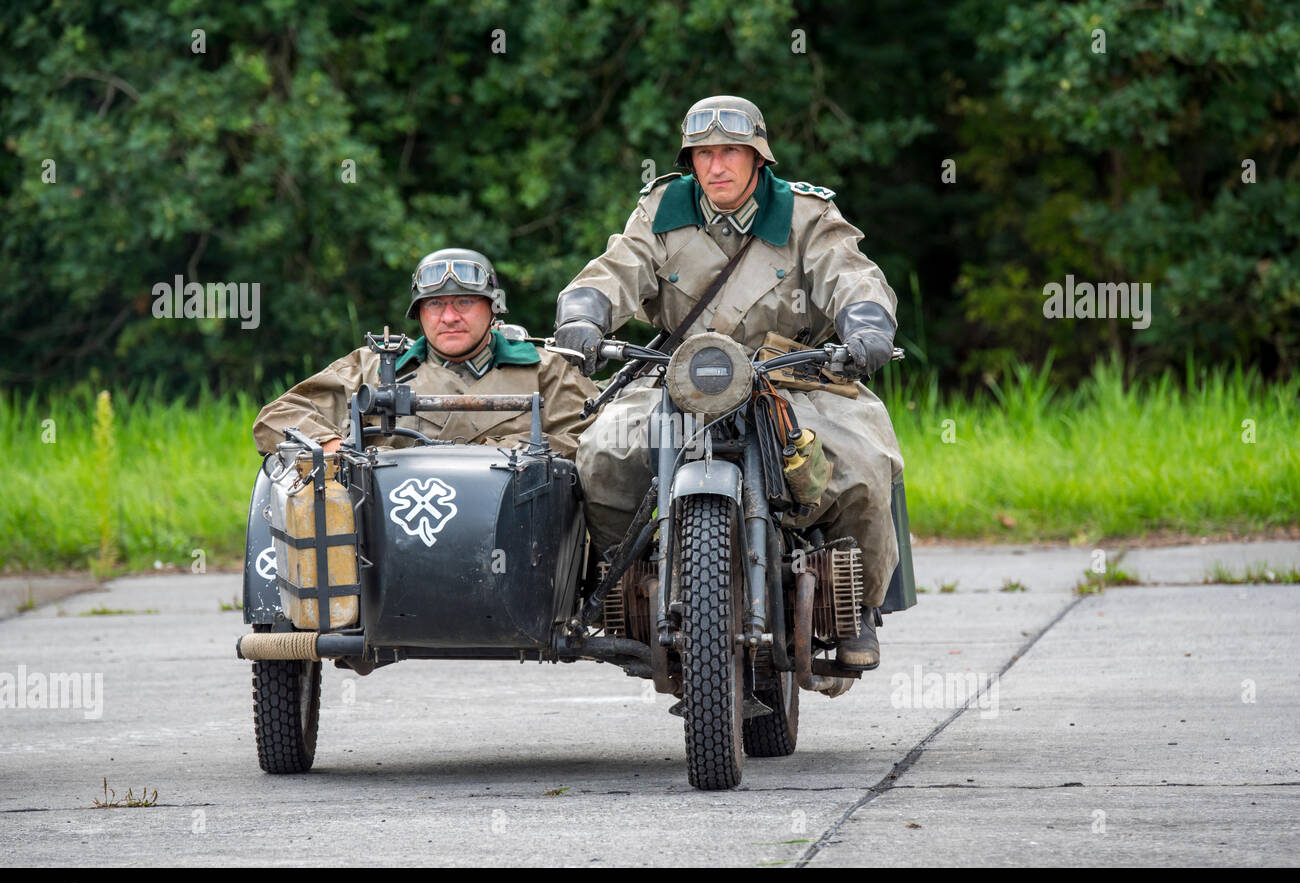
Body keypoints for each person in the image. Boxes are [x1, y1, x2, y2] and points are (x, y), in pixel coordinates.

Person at [553, 95, 903, 670]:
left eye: (731, 152)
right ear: (690, 160)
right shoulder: (662, 210)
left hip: (794, 376)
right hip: (679, 373)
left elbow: (852, 274)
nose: (716, 166)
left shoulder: (805, 215)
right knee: (600, 455)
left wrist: (864, 326)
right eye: (704, 153)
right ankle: (629, 589)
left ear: (758, 157)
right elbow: (616, 268)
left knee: (863, 462)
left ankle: (855, 607)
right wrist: (584, 317)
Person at [254, 248, 597, 459]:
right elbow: (279, 417)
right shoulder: (372, 367)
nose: (449, 317)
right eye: (434, 304)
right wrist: (331, 447)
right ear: (418, 314)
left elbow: (595, 437)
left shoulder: (544, 368)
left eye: (464, 302)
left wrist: (512, 450)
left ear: (494, 309)